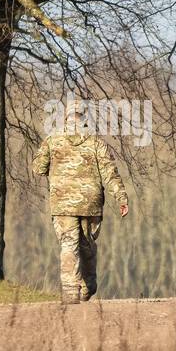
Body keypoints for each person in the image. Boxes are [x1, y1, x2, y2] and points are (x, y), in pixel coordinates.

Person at [32, 112, 129, 303]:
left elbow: (38, 169)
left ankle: (70, 291)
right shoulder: (96, 143)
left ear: (65, 119)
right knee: (87, 245)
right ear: (85, 120)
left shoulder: (52, 140)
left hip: (62, 203)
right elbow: (110, 173)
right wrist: (121, 198)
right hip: (90, 202)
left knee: (69, 244)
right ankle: (88, 286)